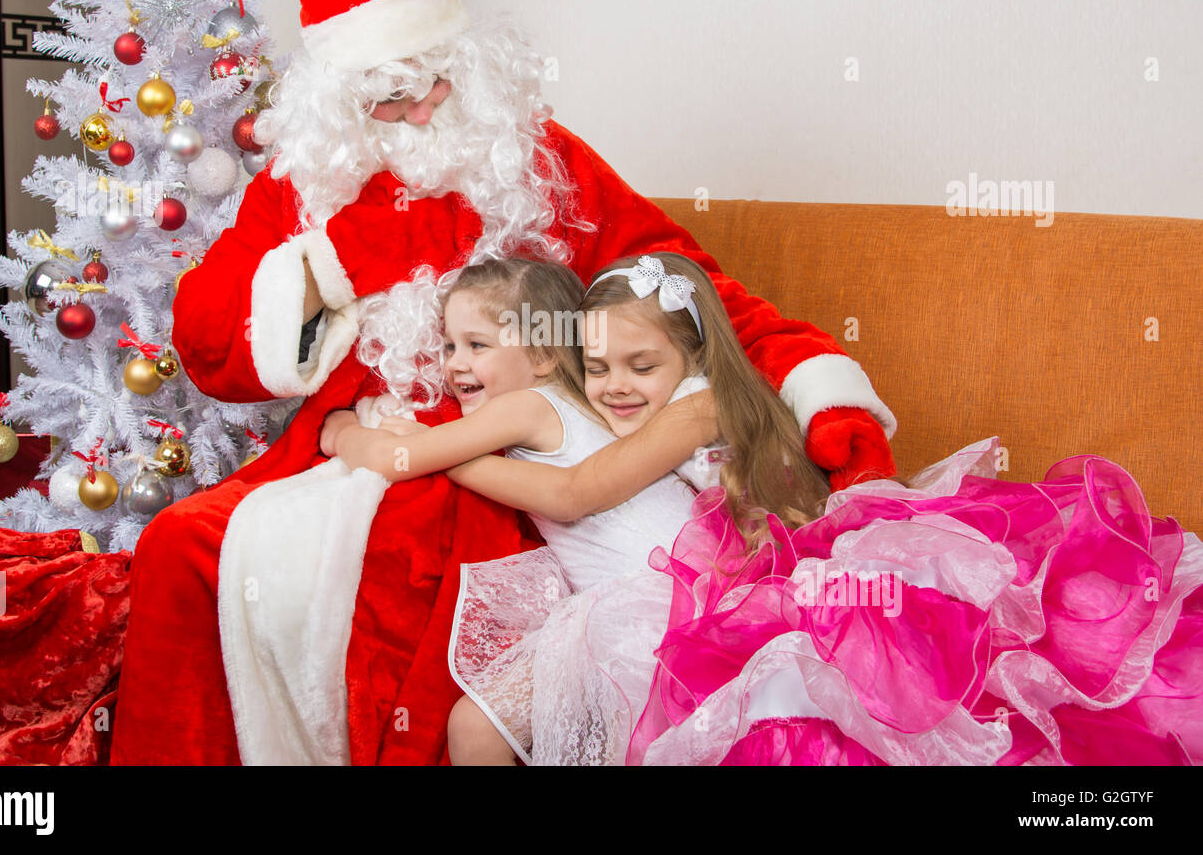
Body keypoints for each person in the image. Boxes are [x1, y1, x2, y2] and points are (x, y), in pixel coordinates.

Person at [112, 0, 899, 766]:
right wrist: (337, 259)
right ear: (340, 103)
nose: (421, 113)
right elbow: (205, 340)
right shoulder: (305, 182)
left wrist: (818, 386)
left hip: (504, 453)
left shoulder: (535, 158)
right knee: (181, 542)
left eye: (437, 83)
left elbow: (690, 286)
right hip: (356, 450)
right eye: (389, 99)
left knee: (394, 587)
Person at [340, 251, 1203, 766]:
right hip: (674, 590)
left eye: (640, 365)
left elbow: (568, 491)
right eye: (603, 368)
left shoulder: (677, 406)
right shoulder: (615, 404)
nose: (615, 387)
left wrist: (352, 430)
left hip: (664, 600)